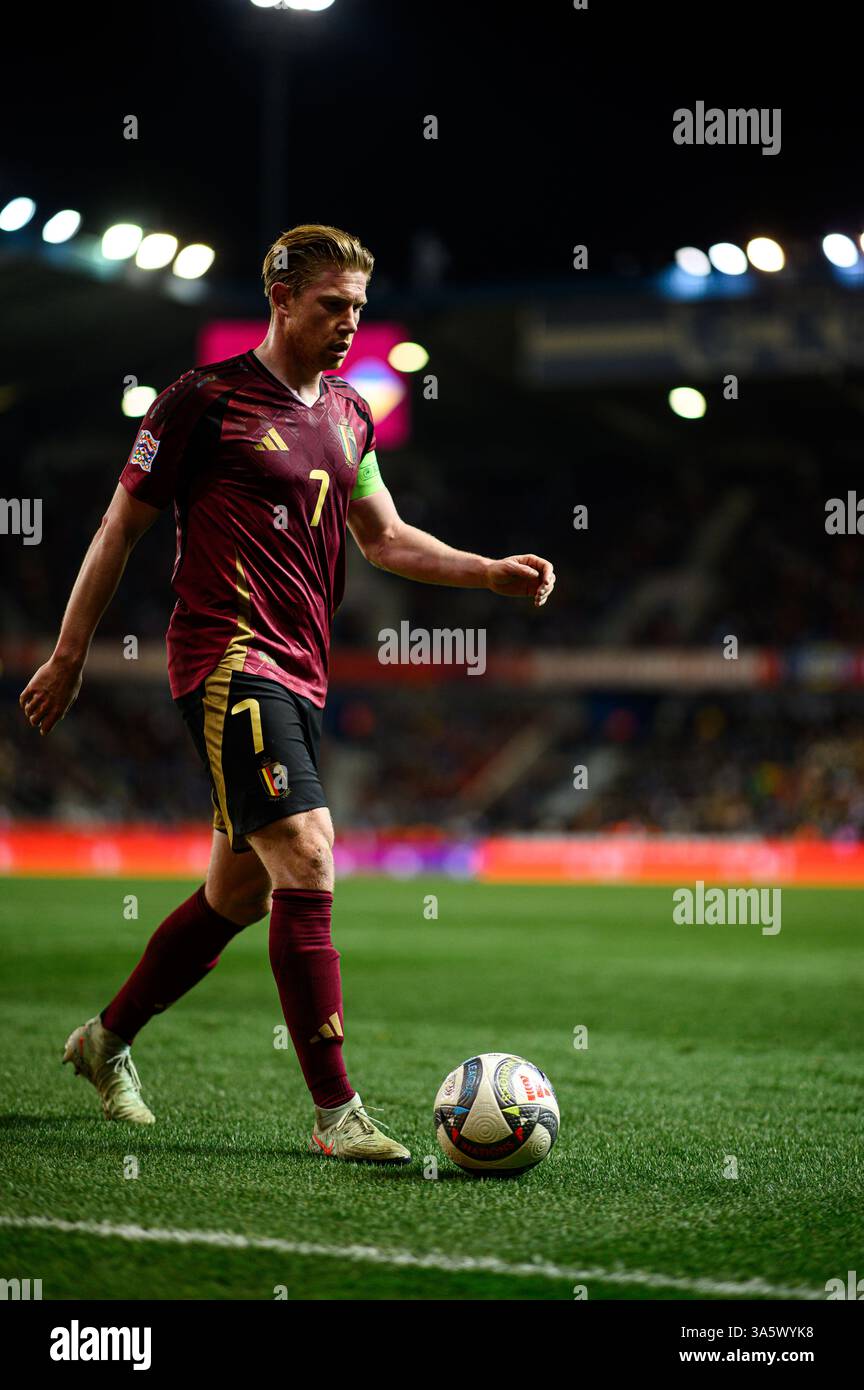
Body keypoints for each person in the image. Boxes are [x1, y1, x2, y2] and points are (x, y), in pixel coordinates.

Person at [19, 223, 556, 1164]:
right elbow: (118, 528)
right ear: (280, 297)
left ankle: (103, 1042)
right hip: (228, 660)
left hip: (303, 672)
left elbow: (384, 538)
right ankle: (337, 1114)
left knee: (238, 892)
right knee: (308, 854)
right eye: (330, 306)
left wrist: (487, 574)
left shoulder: (353, 413)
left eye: (357, 307)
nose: (349, 323)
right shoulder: (203, 401)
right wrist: (69, 654)